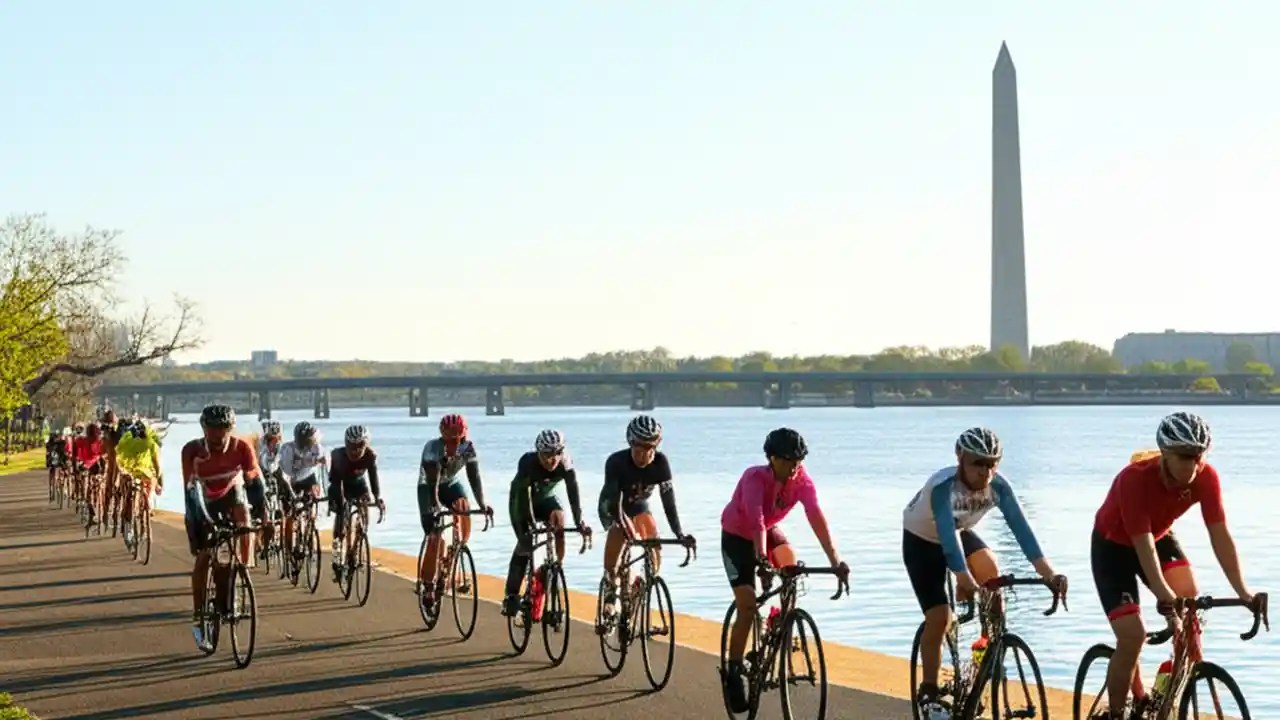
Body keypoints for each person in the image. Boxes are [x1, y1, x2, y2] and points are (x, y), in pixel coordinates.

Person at [1088, 412, 1255, 720]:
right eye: (1185, 457)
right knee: (1132, 635)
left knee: (1190, 602)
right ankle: (1116, 712)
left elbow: (1220, 534)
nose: (1193, 465)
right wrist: (1164, 594)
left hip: (1159, 536)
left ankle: (1165, 693)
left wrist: (1243, 592)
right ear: (1165, 453)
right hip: (1114, 546)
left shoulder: (1207, 478)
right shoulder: (1134, 479)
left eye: (1198, 456)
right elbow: (1142, 544)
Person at [901, 427, 1067, 720]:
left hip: (959, 532)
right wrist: (962, 577)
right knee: (940, 617)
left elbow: (1023, 532)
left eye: (992, 463)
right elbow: (947, 538)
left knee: (992, 572)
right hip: (922, 540)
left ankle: (986, 654)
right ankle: (928, 690)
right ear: (961, 458)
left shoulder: (1000, 487)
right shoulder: (943, 486)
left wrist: (1050, 574)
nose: (985, 471)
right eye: (978, 462)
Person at [720, 427, 849, 714]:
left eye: (799, 461)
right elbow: (756, 519)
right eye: (789, 460)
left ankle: (780, 623)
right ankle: (733, 669)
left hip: (768, 531)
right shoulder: (755, 477)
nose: (794, 467)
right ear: (772, 458)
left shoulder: (802, 480)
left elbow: (817, 517)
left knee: (792, 569)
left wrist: (835, 561)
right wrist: (761, 561)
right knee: (747, 605)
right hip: (738, 537)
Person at [181, 404, 262, 651]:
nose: (218, 435)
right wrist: (199, 523)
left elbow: (255, 483)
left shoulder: (242, 447)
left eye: (224, 429)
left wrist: (264, 518)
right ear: (204, 428)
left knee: (245, 513)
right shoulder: (192, 450)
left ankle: (243, 568)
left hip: (230, 492)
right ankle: (198, 616)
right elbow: (190, 490)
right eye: (213, 429)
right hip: (202, 497)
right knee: (204, 558)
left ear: (231, 428)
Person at [597, 414, 694, 619]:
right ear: (631, 443)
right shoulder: (616, 462)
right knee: (619, 544)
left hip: (640, 506)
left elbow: (669, 501)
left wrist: (679, 533)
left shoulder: (661, 463)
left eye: (650, 448)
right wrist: (625, 528)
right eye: (639, 448)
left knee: (653, 544)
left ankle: (637, 589)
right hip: (613, 506)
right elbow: (615, 504)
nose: (644, 454)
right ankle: (610, 593)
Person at [501, 429, 590, 617]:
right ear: (539, 452)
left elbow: (573, 493)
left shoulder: (565, 462)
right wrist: (531, 525)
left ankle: (556, 565)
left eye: (557, 453)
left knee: (559, 518)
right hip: (521, 501)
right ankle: (511, 594)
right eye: (547, 454)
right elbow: (524, 499)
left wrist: (579, 521)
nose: (553, 459)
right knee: (525, 543)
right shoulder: (528, 462)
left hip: (546, 499)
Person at [418, 413, 492, 605]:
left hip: (450, 483)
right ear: (442, 436)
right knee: (434, 535)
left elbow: (474, 478)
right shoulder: (432, 449)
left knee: (463, 506)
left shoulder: (467, 448)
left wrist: (482, 504)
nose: (454, 442)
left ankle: (457, 548)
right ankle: (427, 586)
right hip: (428, 486)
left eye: (458, 438)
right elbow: (433, 484)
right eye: (450, 439)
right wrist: (434, 506)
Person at [327, 425, 385, 581]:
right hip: (339, 485)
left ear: (366, 445)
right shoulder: (338, 456)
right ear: (346, 444)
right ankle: (337, 555)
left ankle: (355, 549)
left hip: (359, 485)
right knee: (341, 517)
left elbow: (373, 478)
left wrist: (377, 497)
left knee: (364, 514)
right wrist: (341, 503)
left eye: (359, 446)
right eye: (351, 446)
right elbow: (335, 483)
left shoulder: (370, 456)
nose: (355, 451)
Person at [278, 421, 327, 561]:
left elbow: (324, 470)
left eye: (309, 441)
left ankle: (309, 530)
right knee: (290, 514)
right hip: (290, 480)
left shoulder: (317, 447)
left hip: (308, 478)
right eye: (303, 441)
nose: (306, 444)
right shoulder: (288, 449)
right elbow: (286, 472)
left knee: (312, 505)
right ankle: (288, 548)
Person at [116, 419, 164, 544]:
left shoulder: (127, 441)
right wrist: (158, 480)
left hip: (130, 473)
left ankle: (128, 518)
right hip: (146, 475)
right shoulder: (151, 443)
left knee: (128, 496)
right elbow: (157, 466)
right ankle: (145, 517)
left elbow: (119, 457)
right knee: (146, 495)